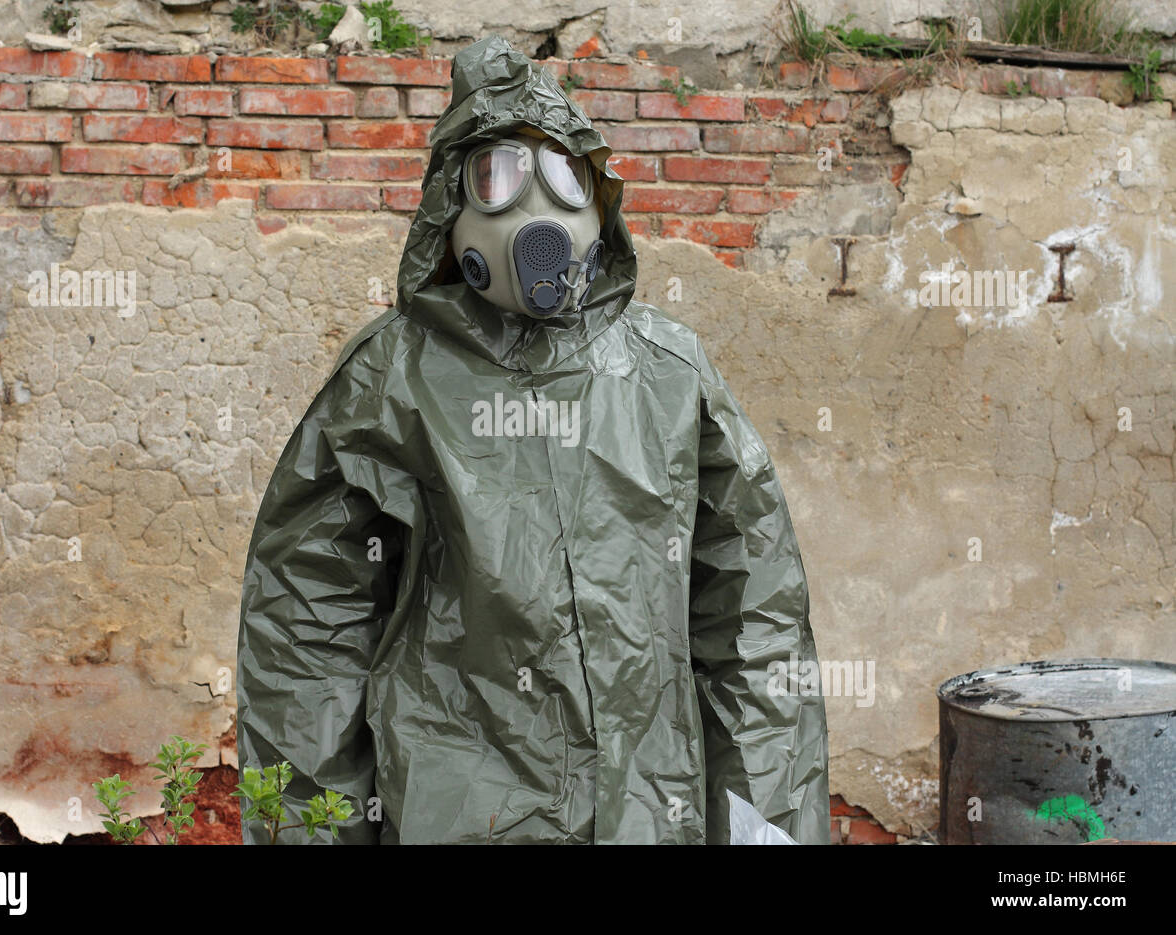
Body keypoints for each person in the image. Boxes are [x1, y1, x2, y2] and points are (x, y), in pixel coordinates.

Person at [236, 35, 830, 844]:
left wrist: (767, 828)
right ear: (451, 209)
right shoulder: (393, 379)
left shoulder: (666, 373)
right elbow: (306, 632)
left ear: (598, 198)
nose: (536, 213)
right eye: (499, 178)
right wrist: (311, 830)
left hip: (646, 815)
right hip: (459, 810)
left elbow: (752, 620)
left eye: (564, 177)